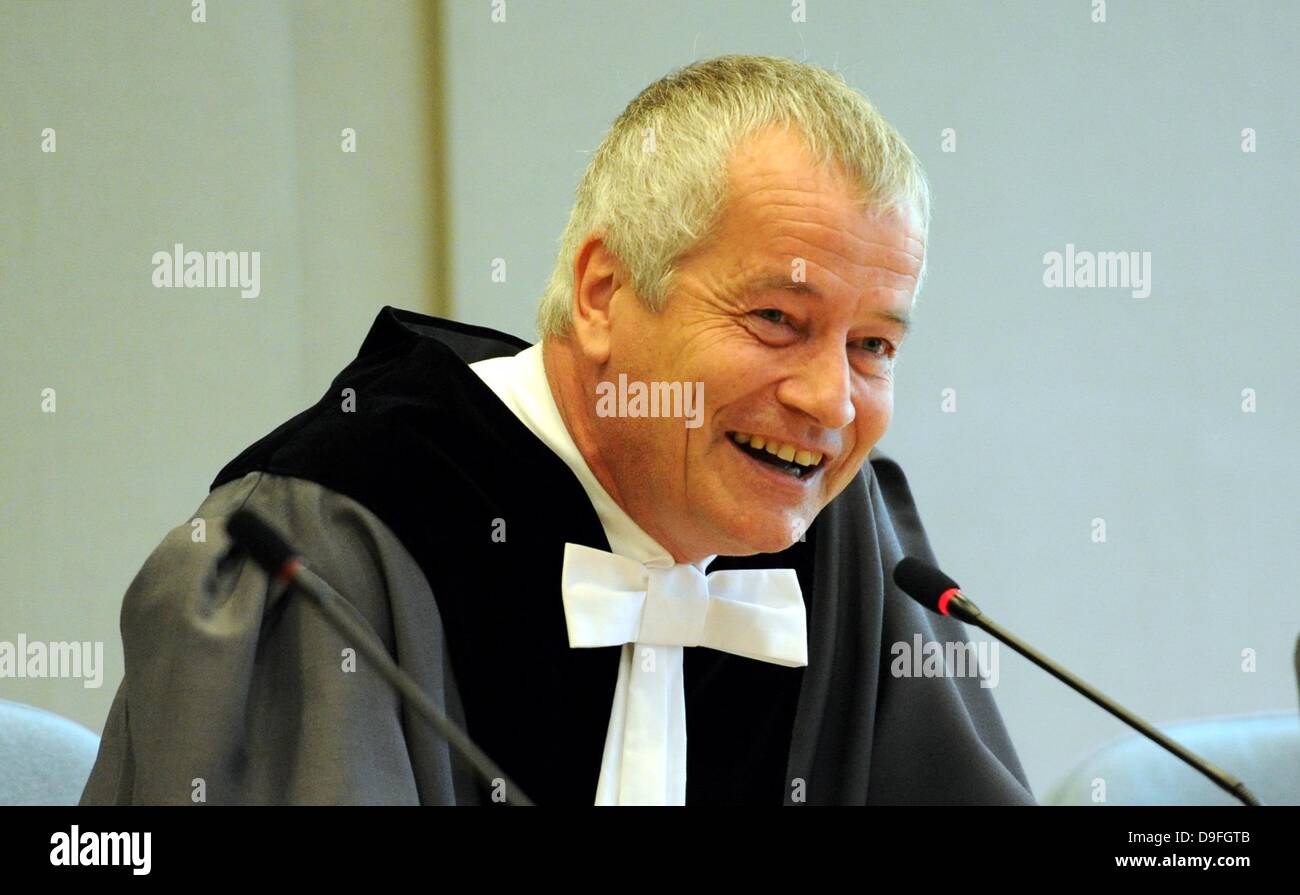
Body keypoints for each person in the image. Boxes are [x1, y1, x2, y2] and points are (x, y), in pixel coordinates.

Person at [80, 54, 1034, 806]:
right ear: (604, 294)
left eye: (872, 345)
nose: (829, 401)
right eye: (777, 321)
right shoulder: (326, 546)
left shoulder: (847, 545)